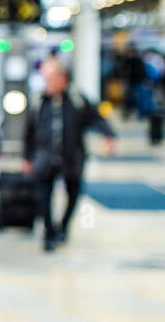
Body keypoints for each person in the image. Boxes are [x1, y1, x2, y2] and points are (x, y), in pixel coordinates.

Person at [23, 56, 117, 252]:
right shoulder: (38, 101)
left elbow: (97, 118)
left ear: (63, 78)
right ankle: (49, 233)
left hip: (71, 157)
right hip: (44, 156)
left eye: (51, 78)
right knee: (43, 196)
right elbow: (29, 131)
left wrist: (108, 135)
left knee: (73, 194)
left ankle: (62, 228)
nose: (48, 83)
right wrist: (27, 157)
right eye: (45, 78)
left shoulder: (76, 99)